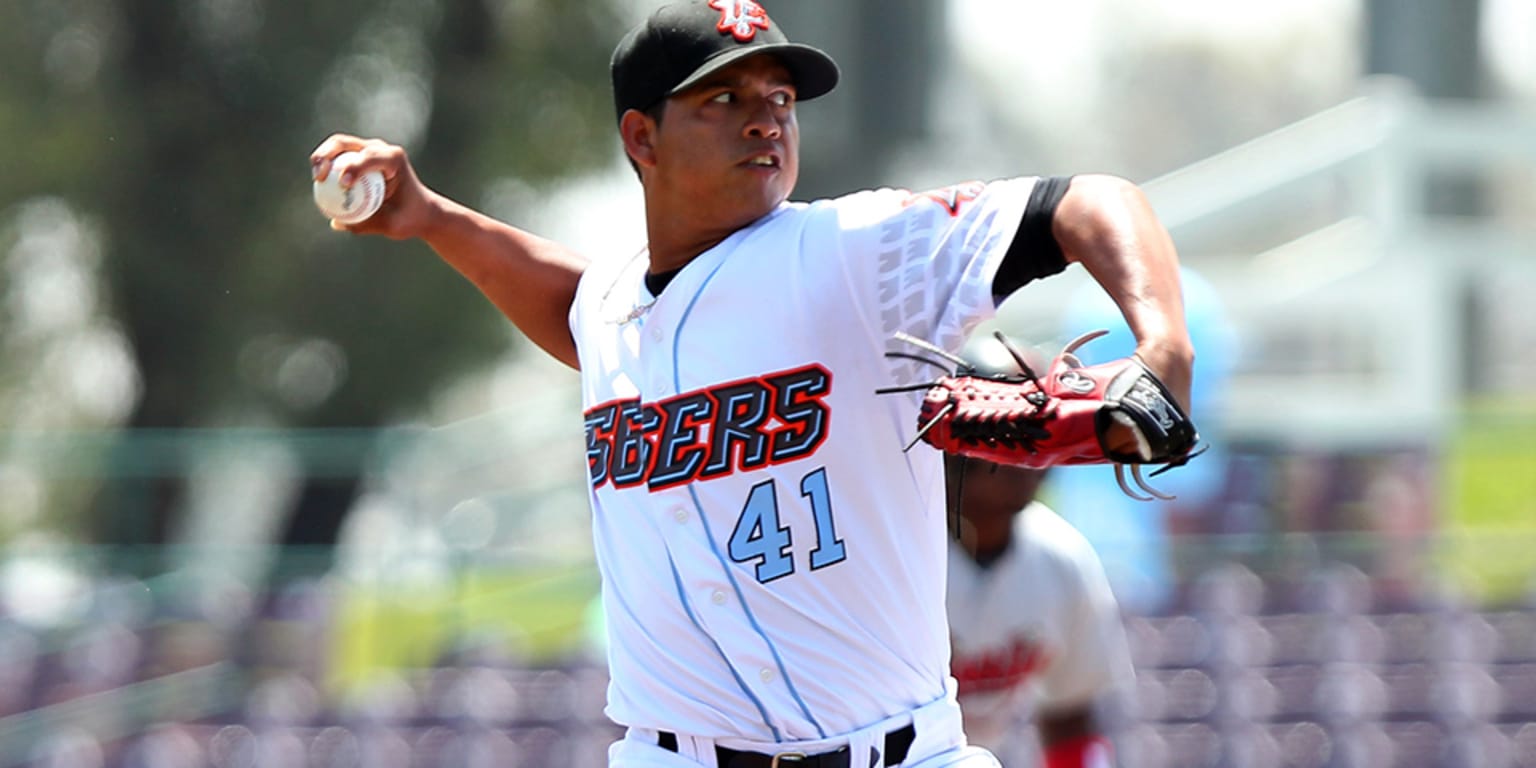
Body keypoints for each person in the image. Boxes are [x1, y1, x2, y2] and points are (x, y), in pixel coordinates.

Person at [309, 1, 1194, 766]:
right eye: (724, 99)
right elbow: (575, 305)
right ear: (641, 137)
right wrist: (430, 216)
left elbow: (1088, 200)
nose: (766, 120)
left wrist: (1162, 348)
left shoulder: (850, 252)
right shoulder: (613, 310)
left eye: (779, 99)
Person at [944, 331, 1136, 768]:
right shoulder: (899, 554)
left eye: (1041, 427)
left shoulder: (1061, 558)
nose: (1030, 447)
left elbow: (1070, 715)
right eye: (1009, 426)